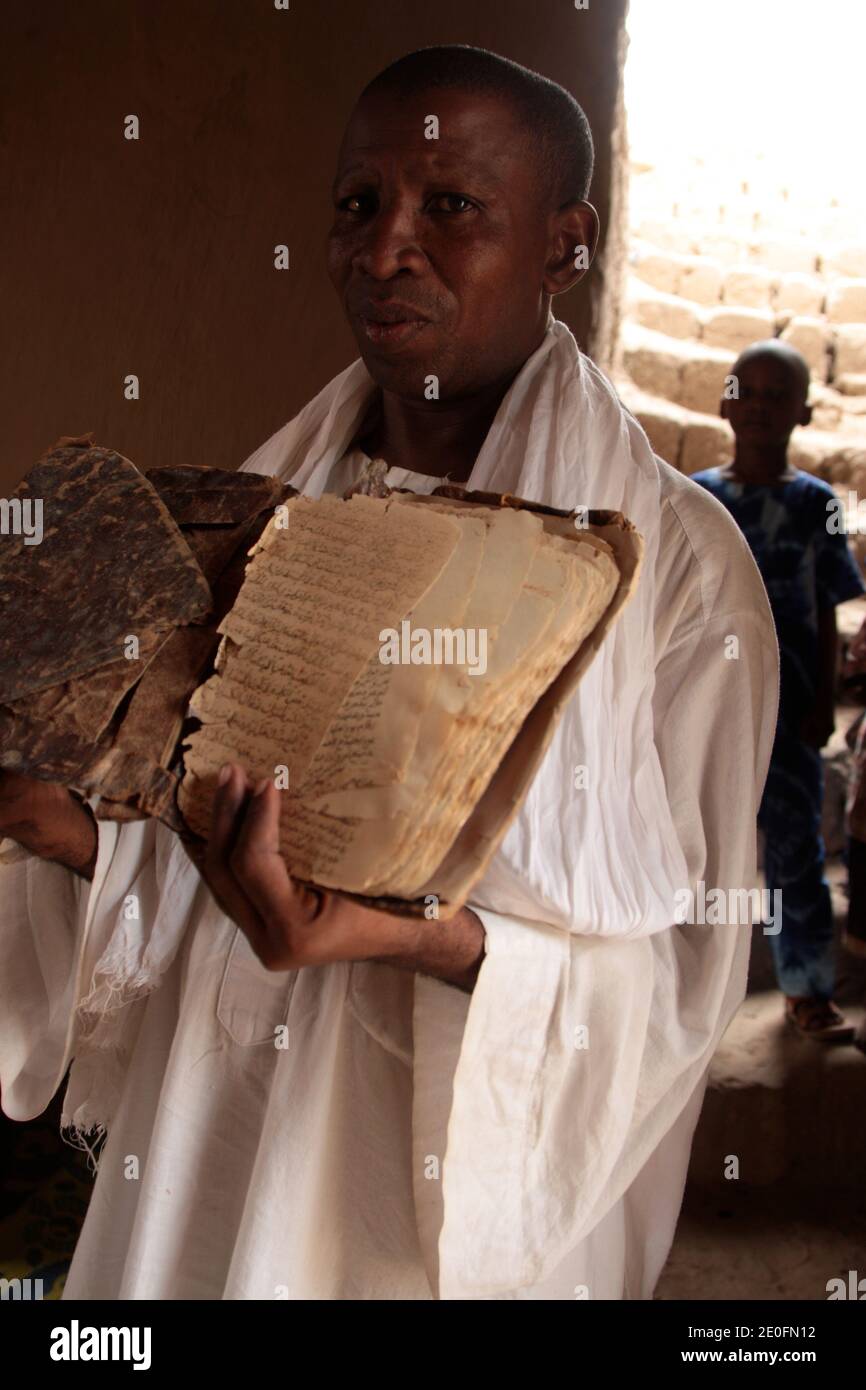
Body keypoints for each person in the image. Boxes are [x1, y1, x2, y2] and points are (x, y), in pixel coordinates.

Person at [0, 45, 778, 1300]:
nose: (383, 250)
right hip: (214, 1131)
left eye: (448, 207)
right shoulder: (265, 511)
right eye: (357, 205)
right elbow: (192, 839)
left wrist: (394, 937)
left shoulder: (678, 579)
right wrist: (73, 836)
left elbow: (679, 979)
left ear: (566, 245)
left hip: (415, 1215)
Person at [693, 341, 865, 1042]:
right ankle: (687, 987)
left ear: (805, 410)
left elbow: (828, 608)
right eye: (748, 392)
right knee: (698, 846)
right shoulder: (697, 497)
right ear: (725, 403)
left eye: (777, 395)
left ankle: (807, 988)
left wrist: (824, 700)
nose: (760, 406)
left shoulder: (816, 503)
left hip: (788, 707)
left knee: (795, 848)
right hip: (708, 705)